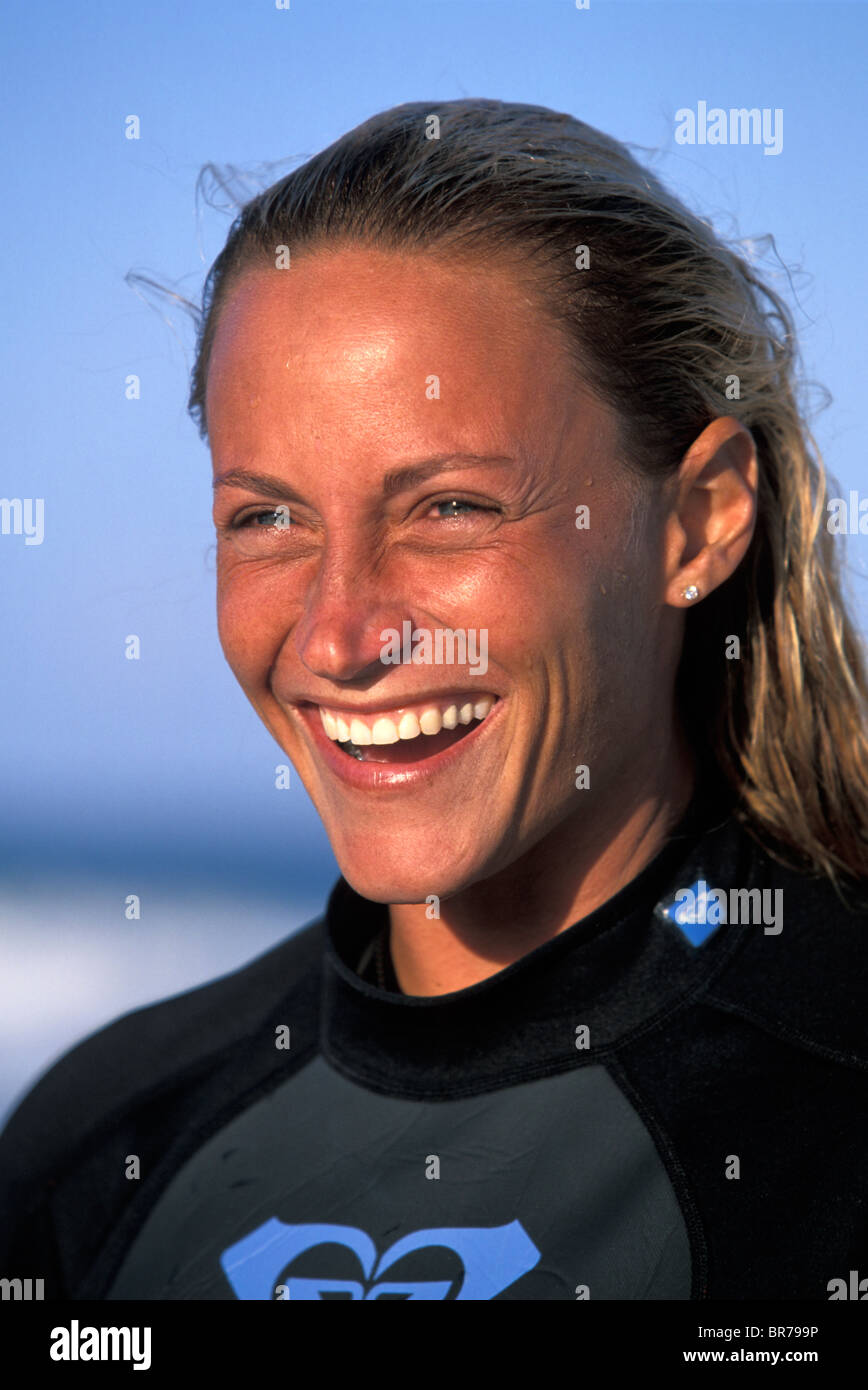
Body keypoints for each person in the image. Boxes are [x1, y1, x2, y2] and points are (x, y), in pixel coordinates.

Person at [1, 99, 867, 1302]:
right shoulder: (94, 1144)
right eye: (267, 518)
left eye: (449, 507)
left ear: (701, 519)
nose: (340, 632)